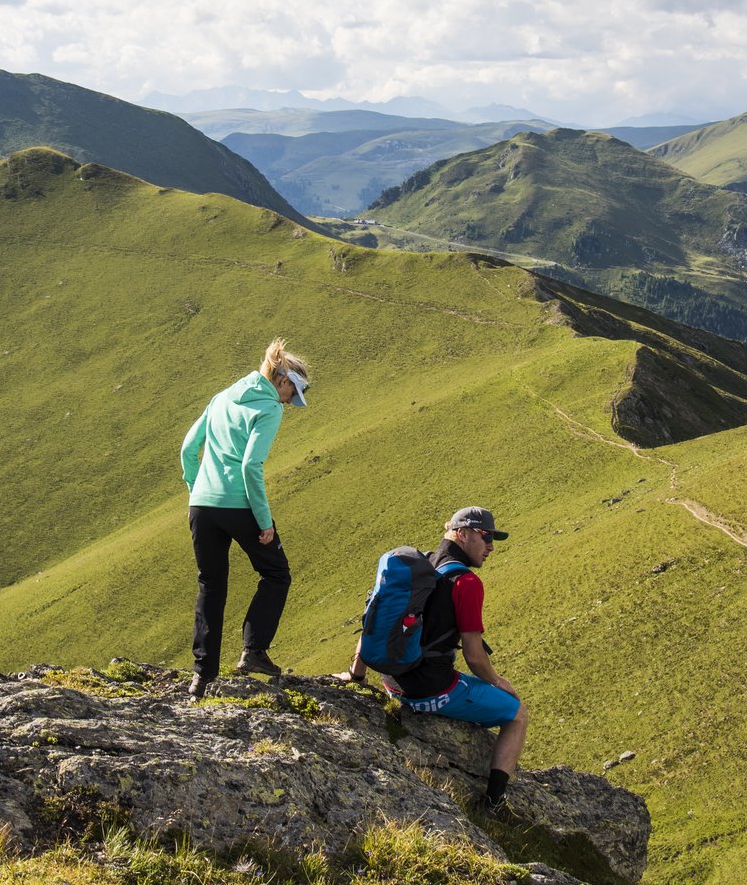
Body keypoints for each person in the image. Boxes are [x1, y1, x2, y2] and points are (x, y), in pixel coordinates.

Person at [344, 506, 526, 814]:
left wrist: (356, 676)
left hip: (393, 682)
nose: (491, 547)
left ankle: (364, 677)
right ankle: (494, 804)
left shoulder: (420, 565)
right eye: (486, 538)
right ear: (463, 534)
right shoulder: (467, 583)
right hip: (431, 691)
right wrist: (499, 682)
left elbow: (375, 620)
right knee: (518, 715)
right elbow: (474, 655)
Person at [180, 338, 311, 699]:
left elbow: (188, 448)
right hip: (239, 505)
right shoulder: (269, 408)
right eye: (291, 394)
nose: (289, 402)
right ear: (284, 381)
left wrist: (197, 489)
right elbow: (251, 465)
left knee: (211, 585)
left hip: (202, 506)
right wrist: (264, 522)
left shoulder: (222, 397)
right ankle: (253, 652)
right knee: (276, 573)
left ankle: (201, 678)